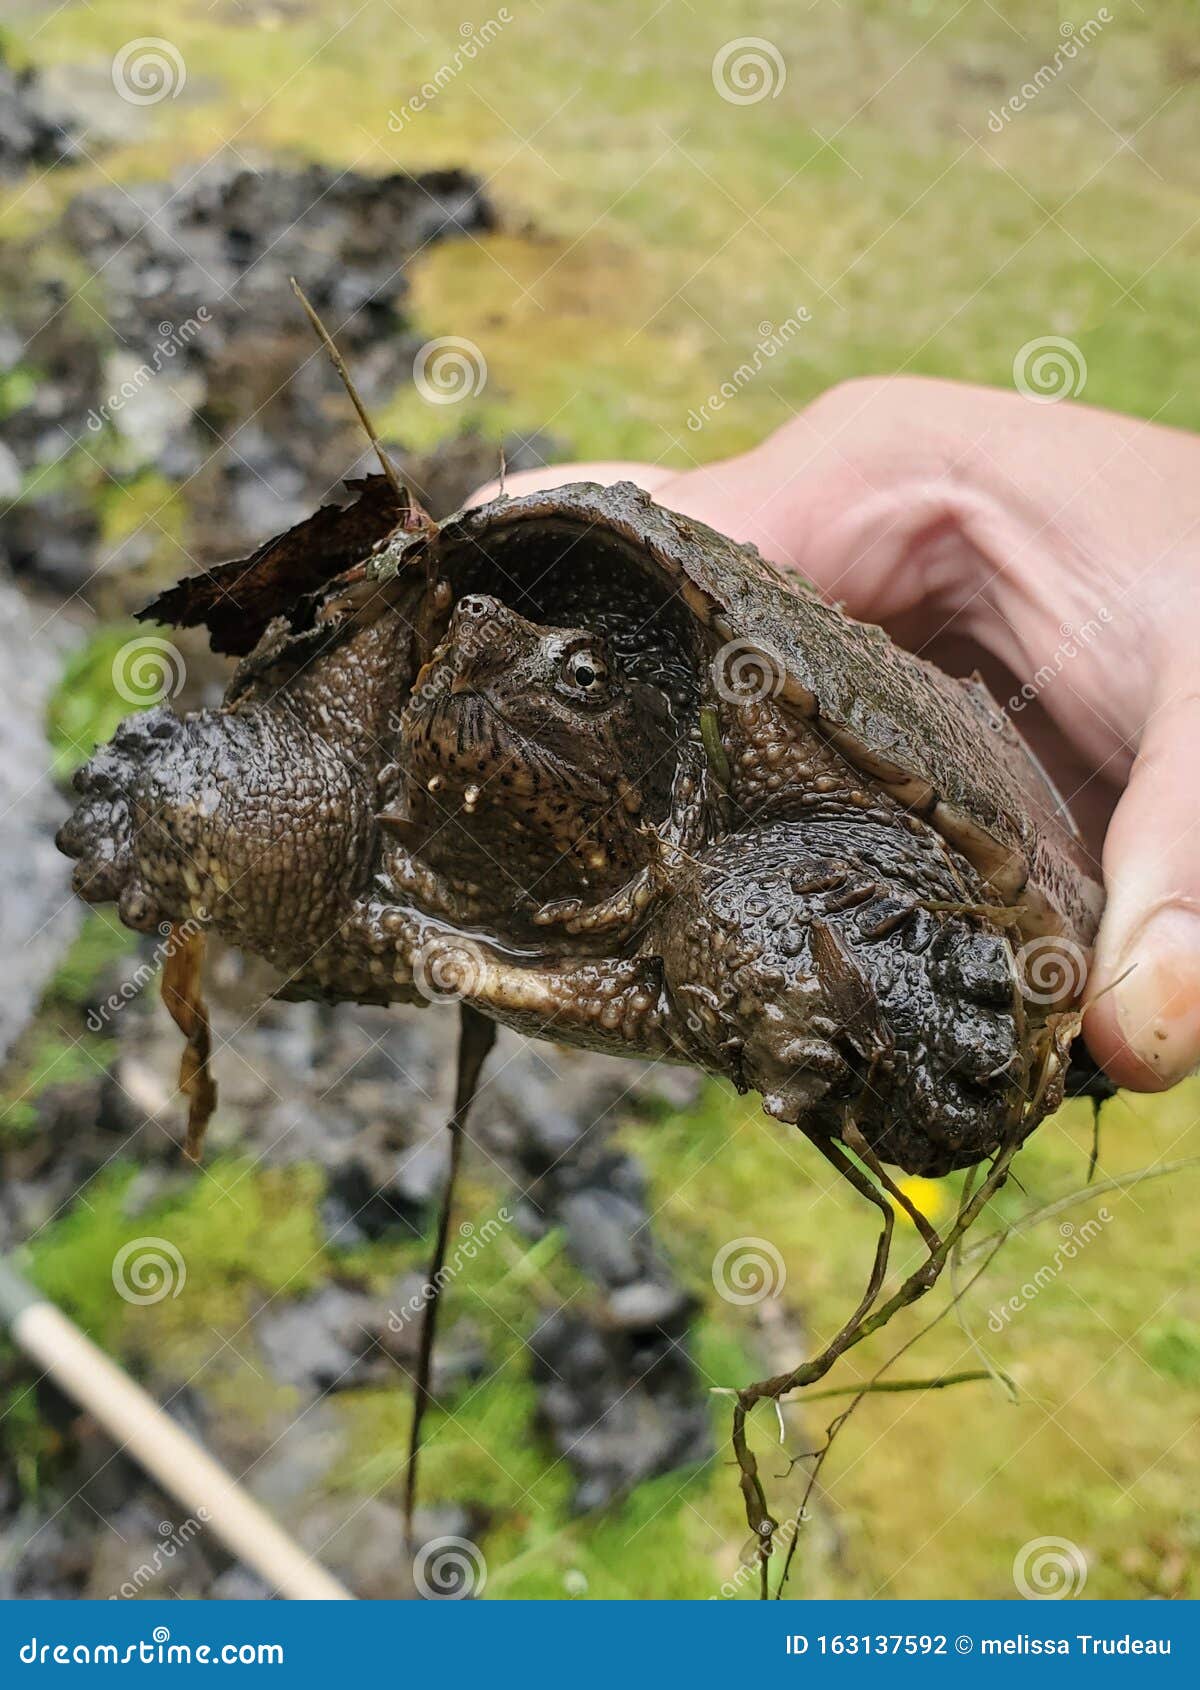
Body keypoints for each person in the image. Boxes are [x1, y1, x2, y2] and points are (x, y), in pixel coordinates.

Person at [472, 376, 1200, 1094]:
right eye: (454, 657)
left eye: (583, 680)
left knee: (766, 928)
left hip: (973, 828)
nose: (476, 682)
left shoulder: (751, 847)